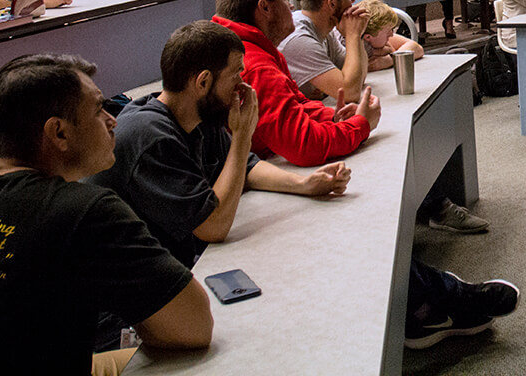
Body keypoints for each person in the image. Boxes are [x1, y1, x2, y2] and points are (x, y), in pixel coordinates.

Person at [0, 53, 214, 374]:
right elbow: (193, 327)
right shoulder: (83, 211)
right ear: (59, 133)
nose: (112, 119)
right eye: (97, 109)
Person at [90, 20, 351, 269]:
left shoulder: (200, 113)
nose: (242, 84)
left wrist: (304, 184)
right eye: (236, 73)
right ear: (203, 82)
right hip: (119, 307)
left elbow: (246, 167)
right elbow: (213, 226)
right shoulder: (150, 136)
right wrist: (242, 136)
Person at [280, 0, 486, 232]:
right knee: (397, 134)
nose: (354, 2)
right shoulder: (300, 38)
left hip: (322, 115)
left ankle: (433, 205)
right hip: (296, 141)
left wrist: (355, 52)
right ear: (332, 3)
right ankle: (432, 208)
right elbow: (351, 89)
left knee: (401, 125)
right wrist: (354, 35)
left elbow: (358, 73)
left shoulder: (326, 32)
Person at [210, 0, 380, 166]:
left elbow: (296, 105)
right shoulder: (255, 64)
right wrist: (360, 125)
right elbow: (305, 146)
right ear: (264, 8)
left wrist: (334, 117)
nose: (291, 6)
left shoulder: (256, 49)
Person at [356, 0, 424, 71]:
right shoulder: (349, 48)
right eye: (388, 31)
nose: (391, 34)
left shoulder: (376, 36)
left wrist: (391, 59)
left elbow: (417, 48)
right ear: (368, 37)